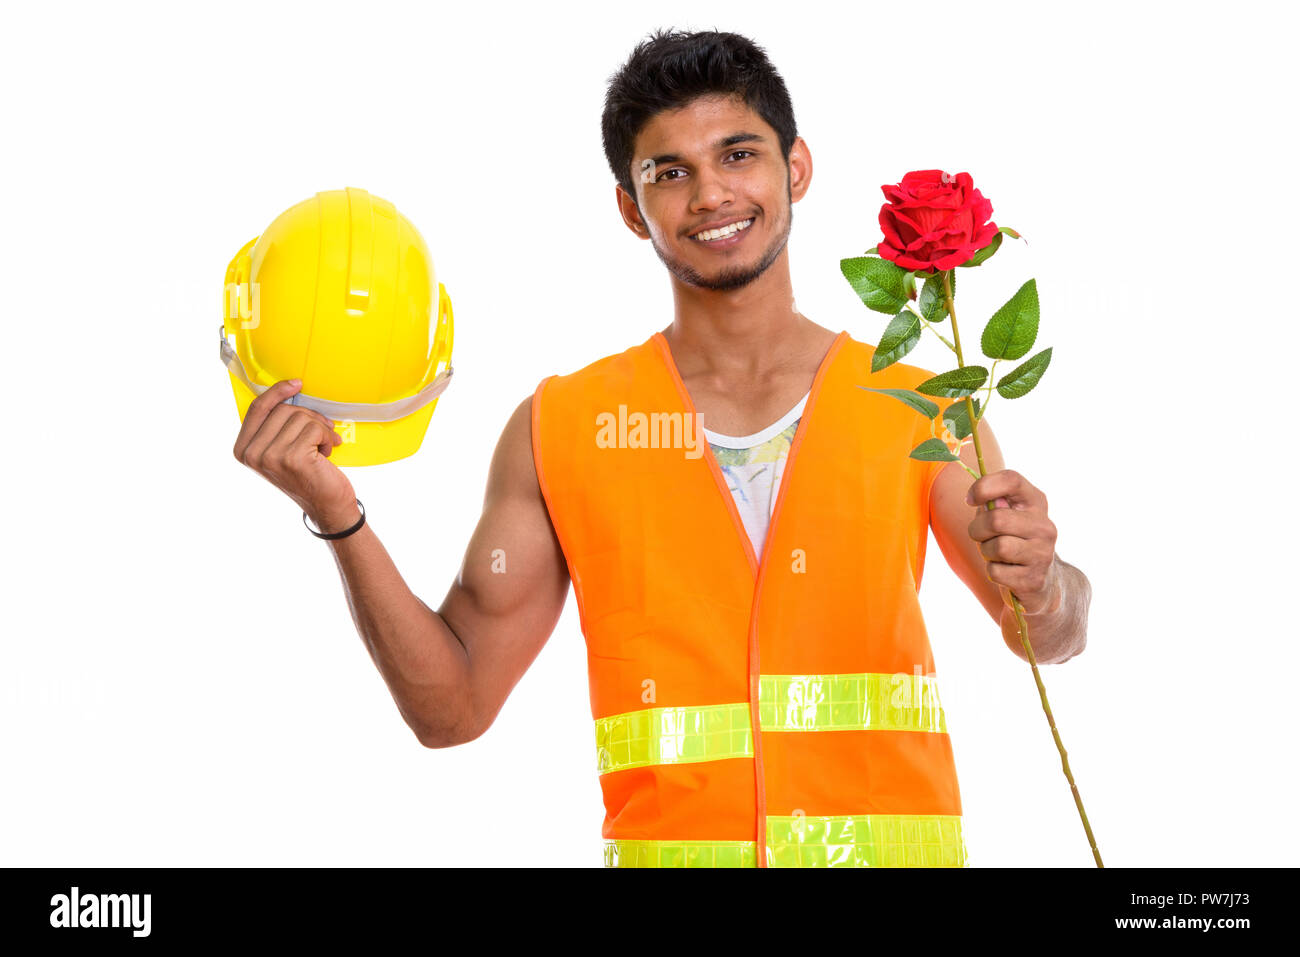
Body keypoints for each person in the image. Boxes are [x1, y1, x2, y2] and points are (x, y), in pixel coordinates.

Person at [232, 28, 1091, 867]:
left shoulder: (920, 400)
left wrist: (1044, 582)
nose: (711, 193)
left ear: (796, 168)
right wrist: (338, 515)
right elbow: (449, 709)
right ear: (629, 208)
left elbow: (1051, 633)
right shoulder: (561, 427)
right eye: (668, 172)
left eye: (739, 154)